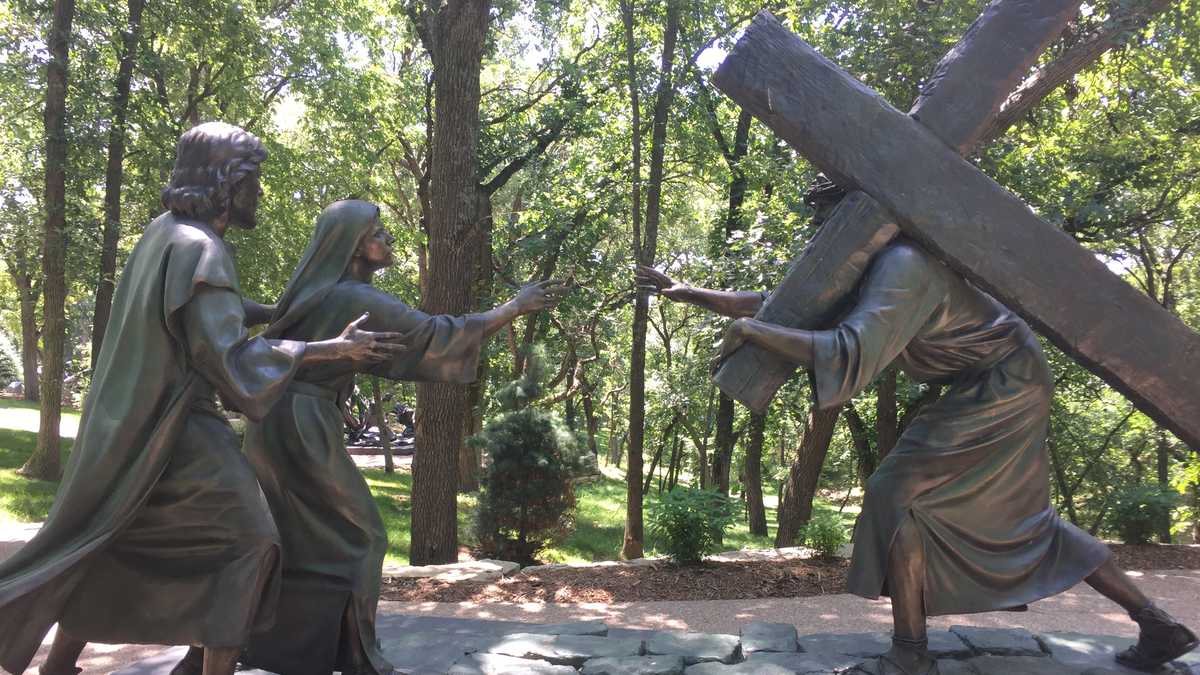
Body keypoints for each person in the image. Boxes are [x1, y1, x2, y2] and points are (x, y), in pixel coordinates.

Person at [638, 243, 1197, 675]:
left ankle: (908, 655)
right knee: (1018, 518)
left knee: (892, 493)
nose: (818, 227)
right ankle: (1157, 622)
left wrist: (749, 333)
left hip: (1004, 385)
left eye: (825, 208)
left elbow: (847, 348)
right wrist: (688, 292)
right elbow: (783, 306)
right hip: (995, 382)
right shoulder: (865, 263)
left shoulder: (903, 264)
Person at [0, 123, 406, 675]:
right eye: (253, 179)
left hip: (125, 429)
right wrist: (332, 348)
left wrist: (278, 314)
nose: (260, 191)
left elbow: (209, 311)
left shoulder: (164, 234)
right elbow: (230, 360)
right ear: (225, 181)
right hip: (179, 429)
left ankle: (59, 665)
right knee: (252, 543)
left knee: (117, 536)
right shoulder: (203, 249)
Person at [168, 199, 564, 675]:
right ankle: (357, 658)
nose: (389, 240)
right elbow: (439, 333)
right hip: (303, 423)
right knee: (364, 535)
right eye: (380, 233)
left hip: (276, 421)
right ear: (355, 246)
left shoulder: (319, 292)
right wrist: (514, 306)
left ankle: (220, 652)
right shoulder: (355, 298)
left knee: (283, 541)